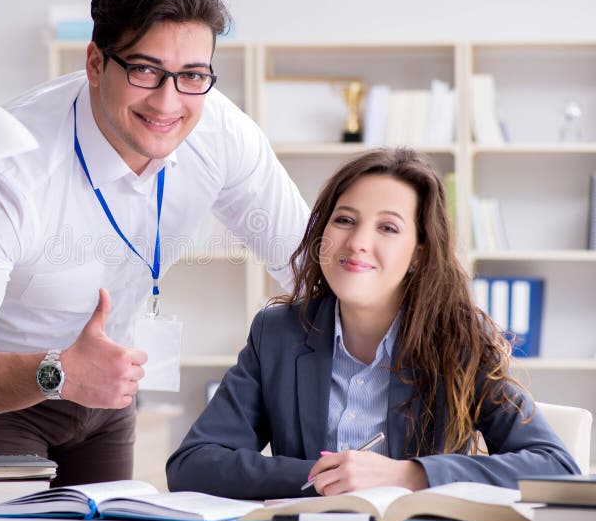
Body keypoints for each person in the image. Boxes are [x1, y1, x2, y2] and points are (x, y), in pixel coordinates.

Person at [0, 0, 308, 486]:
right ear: (95, 63)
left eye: (192, 75)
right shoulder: (6, 165)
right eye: (144, 70)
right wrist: (56, 371)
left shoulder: (221, 133)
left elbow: (310, 263)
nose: (168, 102)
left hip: (107, 396)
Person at [166, 148, 579, 500]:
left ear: (418, 254)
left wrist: (408, 475)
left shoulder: (460, 339)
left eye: (388, 227)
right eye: (344, 220)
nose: (358, 242)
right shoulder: (277, 333)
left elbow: (556, 466)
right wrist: (326, 476)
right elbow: (192, 464)